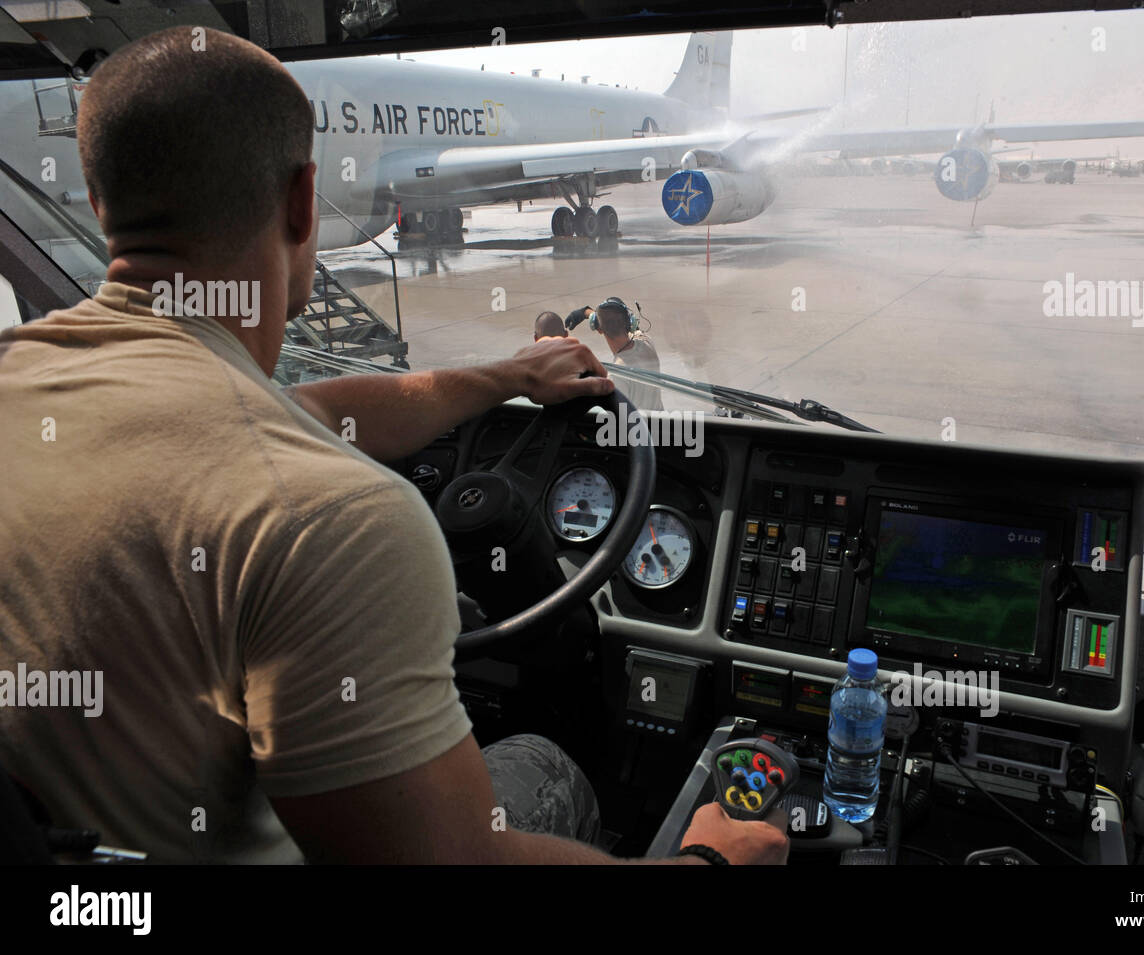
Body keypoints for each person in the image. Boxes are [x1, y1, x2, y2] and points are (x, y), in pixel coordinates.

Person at [0, 26, 786, 866]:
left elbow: (293, 409)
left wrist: (497, 377)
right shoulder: (332, 520)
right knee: (546, 762)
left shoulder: (25, 380)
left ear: (96, 198)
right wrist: (705, 863)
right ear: (304, 201)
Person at [568, 298, 664, 412]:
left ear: (599, 329)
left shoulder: (616, 375)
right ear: (630, 323)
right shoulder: (646, 342)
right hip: (661, 424)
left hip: (637, 428)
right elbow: (633, 329)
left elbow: (619, 419)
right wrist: (588, 313)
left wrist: (586, 312)